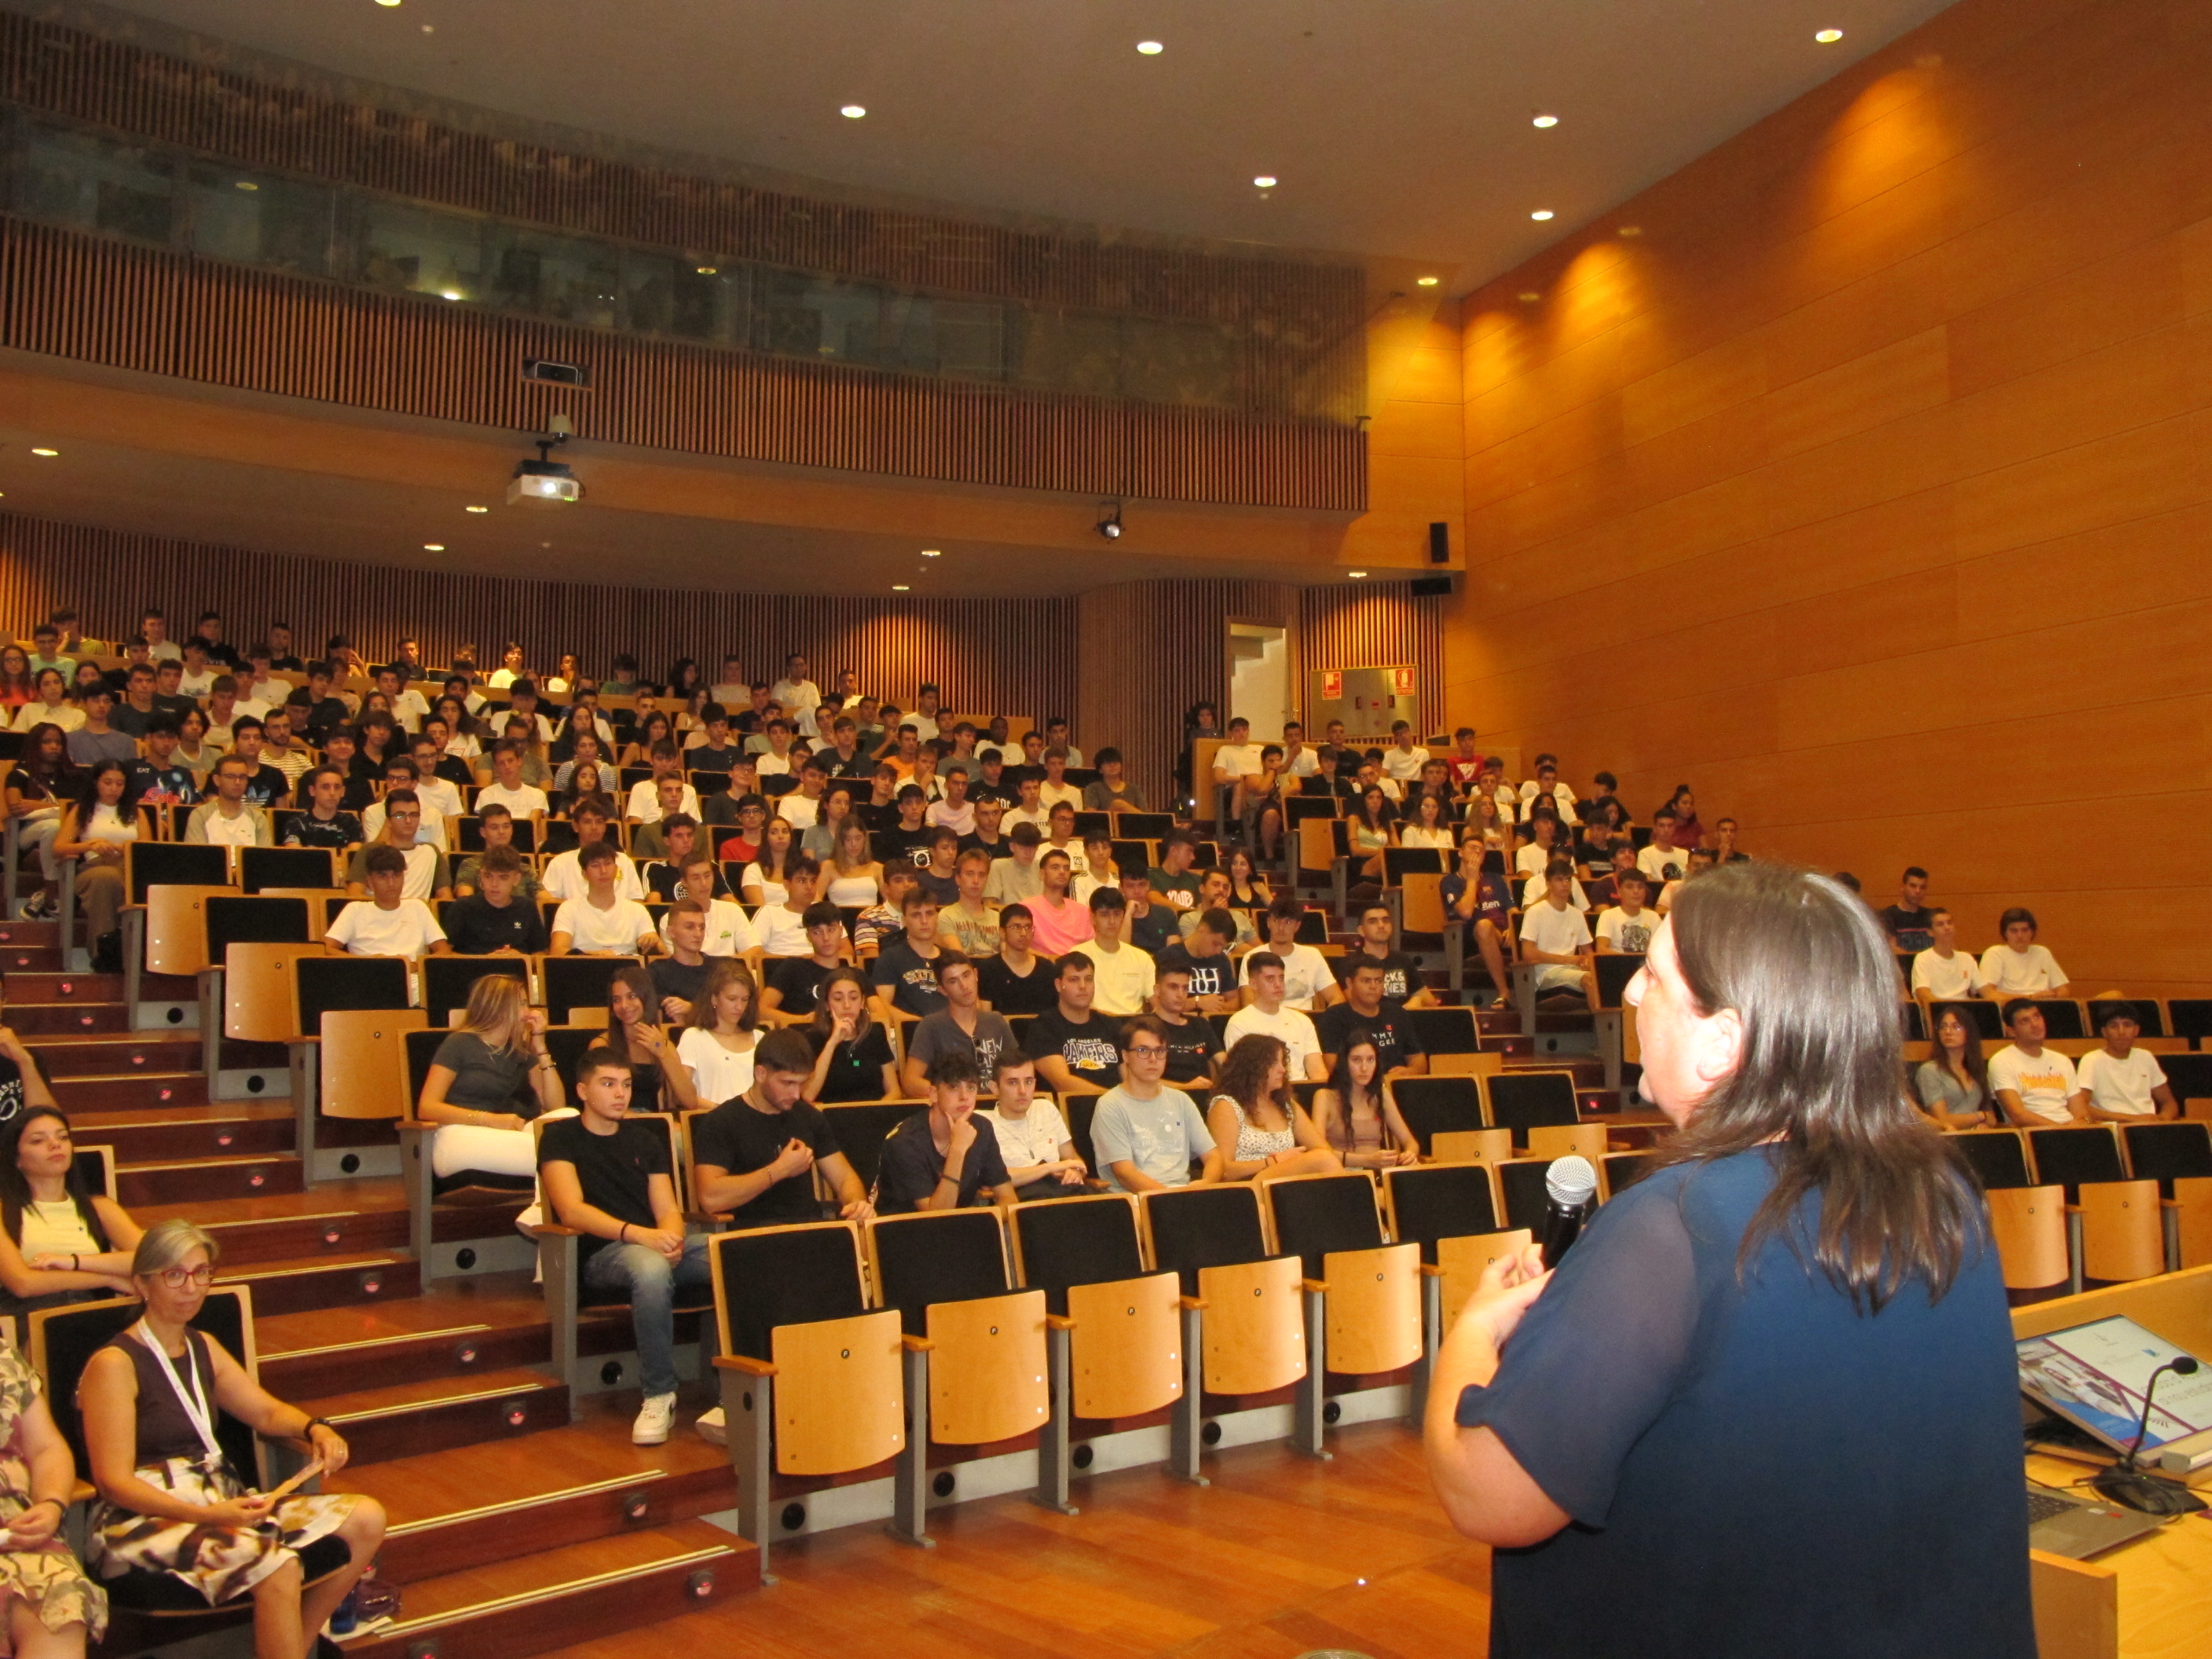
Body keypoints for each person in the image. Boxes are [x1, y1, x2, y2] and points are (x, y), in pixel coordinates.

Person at [1426, 862, 2033, 1658]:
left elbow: (1488, 1496)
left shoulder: (1670, 1229)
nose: (1633, 997)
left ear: (1721, 1042)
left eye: (1652, 978)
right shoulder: (1945, 1190)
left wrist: (1469, 1336)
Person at [80, 1221, 386, 1649]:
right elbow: (113, 1482)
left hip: (218, 1502)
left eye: (201, 1272)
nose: (191, 1287)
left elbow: (263, 1410)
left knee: (367, 1518)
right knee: (277, 1566)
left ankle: (297, 1646)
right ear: (141, 1284)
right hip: (142, 1522)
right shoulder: (114, 1363)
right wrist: (209, 1517)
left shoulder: (202, 1344)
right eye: (175, 1275)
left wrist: (314, 1426)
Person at [537, 1051, 711, 1445]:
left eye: (627, 1085)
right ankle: (659, 1394)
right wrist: (642, 1236)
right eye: (608, 1084)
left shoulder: (645, 1140)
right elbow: (572, 1210)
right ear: (583, 1091)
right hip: (601, 1255)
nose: (621, 1094)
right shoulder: (560, 1138)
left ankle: (733, 1390)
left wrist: (671, 1239)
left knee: (735, 1252)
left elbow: (667, 1209)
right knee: (649, 1268)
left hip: (654, 1246)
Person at [690, 1029, 875, 1229]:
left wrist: (856, 1203)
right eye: (787, 1083)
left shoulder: (808, 1116)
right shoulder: (723, 1121)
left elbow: (844, 1177)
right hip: (753, 1235)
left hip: (809, 1228)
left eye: (802, 1083)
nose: (796, 1094)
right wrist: (780, 1170)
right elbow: (710, 1198)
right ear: (761, 1074)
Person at [415, 976, 571, 1179]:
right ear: (498, 1007)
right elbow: (427, 1107)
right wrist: (489, 1120)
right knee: (560, 1154)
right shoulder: (458, 1044)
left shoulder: (520, 1050)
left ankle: (541, 1207)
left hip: (511, 1134)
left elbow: (555, 1106)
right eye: (521, 1004)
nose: (529, 1012)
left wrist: (540, 1045)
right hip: (461, 1135)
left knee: (569, 1117)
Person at [0, 1104, 144, 1322]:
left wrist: (72, 1261)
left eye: (63, 1137)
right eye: (38, 1140)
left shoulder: (101, 1207)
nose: (54, 1145)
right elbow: (23, 1283)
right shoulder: (3, 1210)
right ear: (17, 1159)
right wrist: (107, 1278)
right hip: (29, 1316)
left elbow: (152, 1259)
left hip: (93, 1310)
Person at [1090, 1016, 1222, 1194]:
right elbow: (1125, 1173)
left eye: (1160, 1051)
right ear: (1125, 1056)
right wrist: (1171, 1198)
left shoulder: (1181, 1100)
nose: (1153, 1058)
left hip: (1184, 1194)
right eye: (1143, 1050)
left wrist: (1206, 1184)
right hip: (1136, 1199)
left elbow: (1213, 1156)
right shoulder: (1110, 1105)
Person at [874, 1053, 1019, 1214]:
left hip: (961, 1228)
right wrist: (957, 1150)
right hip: (906, 1230)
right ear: (934, 1094)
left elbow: (1008, 1198)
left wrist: (983, 1223)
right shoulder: (904, 1142)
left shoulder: (982, 1128)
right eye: (953, 1087)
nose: (964, 1097)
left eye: (971, 1088)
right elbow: (936, 1217)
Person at [1205, 1035, 1338, 1182]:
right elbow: (1224, 1170)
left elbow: (1323, 1149)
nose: (1282, 1070)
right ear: (1252, 1066)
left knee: (1324, 1158)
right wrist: (1274, 1162)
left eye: (1282, 1063)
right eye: (1274, 1063)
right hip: (1248, 1184)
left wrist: (1295, 1163)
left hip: (1288, 1185)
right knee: (1322, 1160)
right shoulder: (1226, 1105)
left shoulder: (1287, 1106)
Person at [54, 762, 142, 966]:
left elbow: (145, 848)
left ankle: (137, 953)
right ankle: (103, 954)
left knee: (126, 879)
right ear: (96, 783)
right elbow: (59, 847)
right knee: (106, 877)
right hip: (93, 867)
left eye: (120, 784)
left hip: (127, 866)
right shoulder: (82, 810)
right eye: (108, 782)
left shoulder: (136, 813)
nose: (114, 789)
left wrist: (121, 849)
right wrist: (90, 845)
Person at [900, 953, 1017, 1097]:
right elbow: (910, 1082)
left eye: (966, 975)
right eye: (953, 981)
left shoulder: (996, 1021)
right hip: (953, 1111)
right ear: (942, 989)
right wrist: (951, 1094)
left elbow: (1017, 1070)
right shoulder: (931, 1026)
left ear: (976, 975)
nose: (964, 986)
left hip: (996, 1108)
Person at [977, 1051, 1086, 1193]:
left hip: (1063, 1191)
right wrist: (1049, 1168)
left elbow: (1073, 1158)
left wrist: (1075, 1171)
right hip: (1022, 1197)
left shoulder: (1046, 1108)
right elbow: (990, 1178)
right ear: (995, 1088)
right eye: (1013, 1083)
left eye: (1028, 1082)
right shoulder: (982, 1122)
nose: (1023, 1091)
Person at [601, 967, 700, 1115]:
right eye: (617, 1000)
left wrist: (663, 1054)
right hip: (618, 1123)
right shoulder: (603, 1046)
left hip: (654, 1122)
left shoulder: (663, 1045)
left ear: (646, 998)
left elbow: (690, 1102)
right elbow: (600, 1101)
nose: (624, 1005)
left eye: (632, 996)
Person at [1313, 1031, 1419, 1169]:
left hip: (1378, 1173)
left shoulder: (1381, 1095)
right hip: (1341, 1174)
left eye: (1370, 1060)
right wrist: (1366, 1161)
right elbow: (1318, 1152)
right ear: (1345, 1062)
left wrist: (1409, 1154)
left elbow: (1410, 1141)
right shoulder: (1324, 1097)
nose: (1364, 1068)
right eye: (1356, 1060)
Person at [326, 844, 450, 960]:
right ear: (369, 881)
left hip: (413, 978)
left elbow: (443, 949)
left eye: (396, 875)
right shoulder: (354, 910)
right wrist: (368, 963)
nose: (391, 883)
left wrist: (416, 965)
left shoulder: (418, 907)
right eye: (382, 876)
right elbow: (328, 948)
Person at [1024, 955, 1122, 1096]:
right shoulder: (1043, 1027)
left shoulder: (1111, 1024)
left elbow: (1130, 1075)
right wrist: (1114, 1101)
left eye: (1088, 979)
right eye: (1074, 980)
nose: (1083, 986)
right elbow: (1062, 1082)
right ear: (1058, 985)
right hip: (1074, 1110)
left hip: (1118, 1113)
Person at [1314, 959, 1428, 1076]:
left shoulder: (1398, 1013)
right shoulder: (1333, 1017)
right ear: (1350, 983)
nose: (1374, 986)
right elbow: (1333, 1066)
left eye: (1379, 981)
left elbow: (1417, 1058)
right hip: (1355, 1088)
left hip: (1397, 1085)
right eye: (1366, 981)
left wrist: (1410, 1072)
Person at [1221, 952, 1324, 1080]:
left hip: (1301, 1091)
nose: (1278, 984)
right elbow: (1242, 1076)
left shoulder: (1302, 1021)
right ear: (1253, 984)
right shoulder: (1240, 1023)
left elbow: (1318, 1071)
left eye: (1281, 978)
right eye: (1270, 979)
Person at [802, 969, 899, 1101]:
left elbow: (894, 1091)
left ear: (862, 1002)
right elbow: (807, 1095)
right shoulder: (813, 1038)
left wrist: (876, 1111)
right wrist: (832, 1043)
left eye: (854, 998)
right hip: (830, 1116)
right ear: (826, 1005)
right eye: (838, 999)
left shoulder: (875, 1032)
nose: (847, 1005)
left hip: (873, 1114)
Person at [2071, 1005, 2178, 1122]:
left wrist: (2163, 1119)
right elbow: (2082, 1107)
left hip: (2149, 1125)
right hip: (2113, 1126)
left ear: (2136, 1030)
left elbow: (2169, 1102)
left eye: (2127, 1025)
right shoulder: (2091, 1060)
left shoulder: (2146, 1057)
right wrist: (2133, 1119)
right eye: (2114, 1026)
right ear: (2104, 1032)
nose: (2121, 1032)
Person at [1985, 1000, 2085, 1126]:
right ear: (2011, 1030)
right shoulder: (2001, 1061)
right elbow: (2018, 1114)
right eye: (2025, 1021)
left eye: (2037, 1016)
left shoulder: (2062, 1060)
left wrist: (2081, 1123)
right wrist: (2060, 1130)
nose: (2035, 1024)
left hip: (2069, 1128)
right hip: (2035, 1132)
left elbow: (2081, 1113)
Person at [549, 844, 661, 957]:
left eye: (608, 864)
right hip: (584, 967)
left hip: (628, 968)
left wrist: (653, 941)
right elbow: (557, 951)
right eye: (595, 865)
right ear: (584, 874)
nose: (603, 871)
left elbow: (662, 954)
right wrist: (593, 955)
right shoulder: (569, 909)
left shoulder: (637, 910)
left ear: (617, 869)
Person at [676, 960, 761, 1105]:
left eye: (745, 1000)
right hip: (712, 1118)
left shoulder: (760, 1038)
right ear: (714, 999)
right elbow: (682, 1094)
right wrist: (723, 1115)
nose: (739, 1007)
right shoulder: (693, 1037)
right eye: (732, 999)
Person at [343, 792, 451, 903]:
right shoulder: (370, 850)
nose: (408, 820)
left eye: (414, 815)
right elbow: (354, 894)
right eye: (400, 815)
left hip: (418, 916)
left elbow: (445, 896)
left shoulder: (431, 851)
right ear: (389, 821)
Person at [444, 846, 549, 955]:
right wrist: (485, 961)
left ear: (516, 879)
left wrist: (521, 958)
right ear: (481, 876)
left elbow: (540, 953)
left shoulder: (527, 907)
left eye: (503, 878)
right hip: (473, 970)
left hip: (516, 969)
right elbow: (444, 954)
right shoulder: (463, 907)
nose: (494, 884)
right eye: (488, 876)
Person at [1072, 888, 1155, 1017]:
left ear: (1123, 916)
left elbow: (1157, 1003)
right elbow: (1072, 1004)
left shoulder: (1142, 958)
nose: (1112, 921)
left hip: (1133, 1027)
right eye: (1105, 915)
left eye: (1117, 914)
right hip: (1094, 1025)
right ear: (1093, 917)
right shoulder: (1077, 955)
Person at [869, 888, 948, 1022]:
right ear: (904, 920)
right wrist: (923, 1025)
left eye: (929, 913)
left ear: (937, 917)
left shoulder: (952, 959)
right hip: (910, 1033)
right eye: (916, 915)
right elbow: (883, 1007)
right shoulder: (890, 958)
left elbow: (971, 1003)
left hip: (951, 1033)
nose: (924, 921)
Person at [1519, 860, 1594, 998]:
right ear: (1548, 884)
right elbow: (1528, 953)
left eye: (1568, 879)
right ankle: (1605, 1020)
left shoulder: (1577, 914)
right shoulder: (1535, 912)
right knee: (1590, 979)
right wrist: (1569, 961)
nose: (1565, 883)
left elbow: (1588, 951)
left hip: (1574, 970)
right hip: (1545, 972)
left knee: (1603, 978)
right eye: (1559, 879)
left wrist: (1587, 963)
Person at [1914, 1008, 1994, 1130]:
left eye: (1956, 1027)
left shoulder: (1976, 1069)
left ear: (1968, 1032)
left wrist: (1984, 1124)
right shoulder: (1929, 1070)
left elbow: (1992, 1118)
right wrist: (1980, 1116)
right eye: (1943, 1027)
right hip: (1947, 1138)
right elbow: (1942, 1120)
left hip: (1976, 1136)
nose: (1948, 1032)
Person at [1153, 965, 1224, 1094]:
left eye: (1185, 988)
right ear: (1157, 990)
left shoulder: (1200, 1024)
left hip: (1205, 1098)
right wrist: (1186, 1087)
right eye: (1173, 987)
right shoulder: (1144, 1027)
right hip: (1165, 1098)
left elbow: (1224, 1062)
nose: (1180, 995)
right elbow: (1138, 1078)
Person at [976, 904, 1057, 1015]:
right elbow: (986, 1017)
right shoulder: (988, 968)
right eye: (1016, 927)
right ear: (1002, 932)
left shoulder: (1046, 968)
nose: (1023, 933)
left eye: (1028, 927)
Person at [1979, 909, 2071, 998]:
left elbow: (2064, 989)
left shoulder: (2042, 952)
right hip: (2012, 1008)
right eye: (2014, 931)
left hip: (2044, 1006)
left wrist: (2054, 997)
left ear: (2032, 932)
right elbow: (1989, 994)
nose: (2020, 935)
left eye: (2025, 930)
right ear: (2005, 933)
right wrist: (2030, 998)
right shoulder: (1995, 954)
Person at [649, 901, 716, 1025]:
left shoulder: (718, 970)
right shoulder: (657, 971)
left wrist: (692, 1009)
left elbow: (728, 1009)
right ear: (671, 932)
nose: (698, 934)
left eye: (702, 927)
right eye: (690, 927)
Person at [1909, 909, 1983, 1000]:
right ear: (1930, 932)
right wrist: (1943, 1007)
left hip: (1964, 1009)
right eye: (1940, 925)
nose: (1947, 927)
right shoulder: (1923, 958)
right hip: (1939, 1009)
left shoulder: (1967, 958)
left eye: (1949, 923)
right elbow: (1923, 993)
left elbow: (1986, 991)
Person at [1876, 867, 1936, 952]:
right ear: (1902, 887)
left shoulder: (1932, 916)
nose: (1918, 891)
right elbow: (1890, 950)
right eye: (1913, 886)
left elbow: (1943, 946)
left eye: (1922, 887)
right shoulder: (1887, 916)